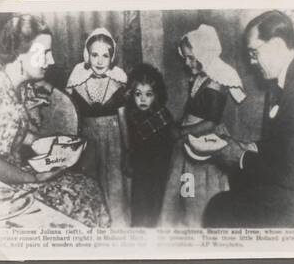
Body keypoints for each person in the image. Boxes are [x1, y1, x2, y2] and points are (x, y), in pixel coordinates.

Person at [0, 14, 109, 227]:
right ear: (19, 53)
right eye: (44, 53)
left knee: (88, 185)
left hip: (14, 172)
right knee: (80, 198)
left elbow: (14, 132)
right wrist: (33, 179)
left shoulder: (20, 84)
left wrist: (55, 150)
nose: (52, 61)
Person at [203, 10, 294, 229]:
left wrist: (240, 156)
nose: (251, 62)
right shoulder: (284, 80)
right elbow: (286, 143)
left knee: (220, 207)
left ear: (277, 45)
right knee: (237, 184)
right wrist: (244, 146)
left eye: (253, 53)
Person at [160, 24, 246, 228]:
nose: (188, 63)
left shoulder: (217, 81)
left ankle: (199, 223)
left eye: (191, 58)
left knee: (200, 191)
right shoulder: (200, 77)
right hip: (189, 136)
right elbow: (193, 109)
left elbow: (211, 121)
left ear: (204, 54)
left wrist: (182, 131)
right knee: (183, 189)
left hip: (204, 139)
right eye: (186, 58)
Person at [66, 27, 130, 226]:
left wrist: (127, 150)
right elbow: (69, 116)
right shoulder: (76, 81)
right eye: (95, 55)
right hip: (88, 142)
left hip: (114, 142)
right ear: (87, 55)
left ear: (112, 57)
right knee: (90, 182)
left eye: (105, 55)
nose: (100, 61)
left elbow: (123, 119)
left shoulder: (118, 82)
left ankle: (119, 227)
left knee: (114, 184)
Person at [121, 63, 178, 227]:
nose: (143, 99)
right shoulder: (132, 114)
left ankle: (153, 228)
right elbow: (132, 143)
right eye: (138, 94)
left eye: (149, 94)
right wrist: (129, 157)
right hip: (141, 166)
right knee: (138, 200)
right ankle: (138, 229)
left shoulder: (162, 116)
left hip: (159, 166)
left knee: (155, 201)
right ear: (132, 95)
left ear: (157, 95)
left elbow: (170, 143)